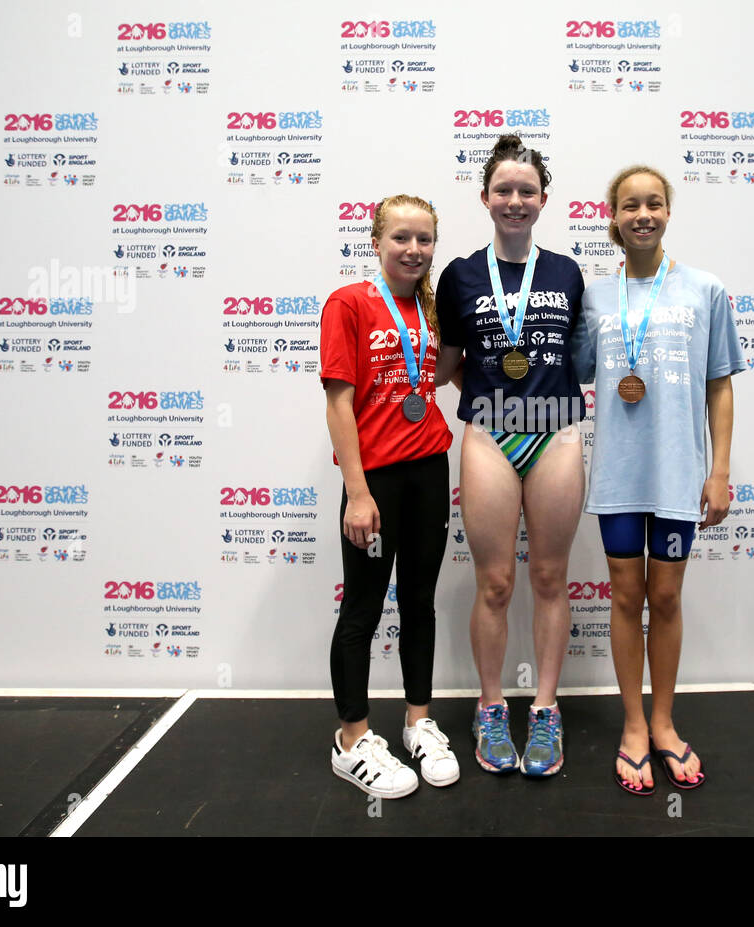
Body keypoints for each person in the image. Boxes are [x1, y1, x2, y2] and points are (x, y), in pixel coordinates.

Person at [570, 166, 744, 794]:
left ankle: (665, 722)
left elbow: (719, 384)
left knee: (666, 598)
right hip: (619, 471)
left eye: (654, 204)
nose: (642, 214)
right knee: (624, 596)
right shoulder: (593, 297)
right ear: (612, 216)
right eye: (630, 206)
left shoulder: (705, 289)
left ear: (668, 212)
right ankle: (634, 725)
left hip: (678, 474)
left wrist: (719, 469)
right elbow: (577, 372)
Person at [434, 135, 585, 777]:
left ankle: (545, 710)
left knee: (550, 577)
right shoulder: (460, 274)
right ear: (485, 198)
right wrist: (497, 400)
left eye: (527, 191)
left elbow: (579, 360)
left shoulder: (567, 271)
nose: (515, 201)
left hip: (557, 435)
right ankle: (491, 705)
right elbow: (446, 368)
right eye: (504, 190)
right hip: (490, 435)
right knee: (495, 582)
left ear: (544, 199)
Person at [320, 194, 459, 798]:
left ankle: (418, 721)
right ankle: (351, 740)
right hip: (373, 480)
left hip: (429, 470)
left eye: (424, 239)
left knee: (421, 601)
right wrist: (356, 492)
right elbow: (338, 403)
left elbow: (444, 373)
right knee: (363, 608)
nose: (413, 250)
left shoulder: (429, 309)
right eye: (401, 238)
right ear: (375, 241)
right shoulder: (349, 303)